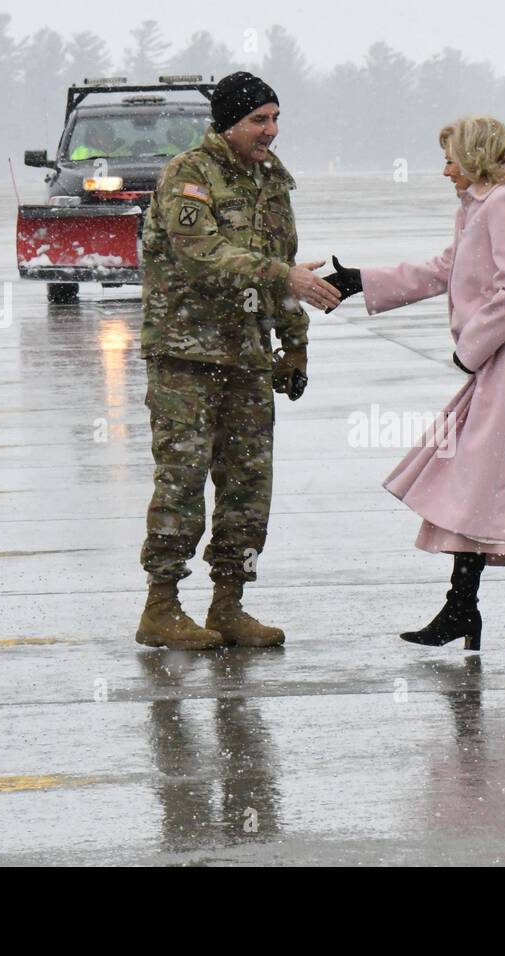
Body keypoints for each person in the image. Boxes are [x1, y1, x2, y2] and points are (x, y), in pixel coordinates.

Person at [324, 116, 505, 651]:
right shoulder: (483, 206)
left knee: (475, 478)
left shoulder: (503, 205)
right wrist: (359, 279)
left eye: (451, 158)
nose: (445, 169)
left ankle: (467, 610)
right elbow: (443, 270)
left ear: (475, 156)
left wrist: (468, 349)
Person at [135, 71, 341, 650]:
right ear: (228, 123)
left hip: (247, 357)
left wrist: (293, 343)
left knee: (249, 485)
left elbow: (285, 262)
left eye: (275, 119)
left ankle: (229, 602)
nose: (270, 131)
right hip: (186, 355)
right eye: (259, 120)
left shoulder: (271, 180)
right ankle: (162, 606)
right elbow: (202, 254)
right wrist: (284, 278)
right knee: (181, 480)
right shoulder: (189, 175)